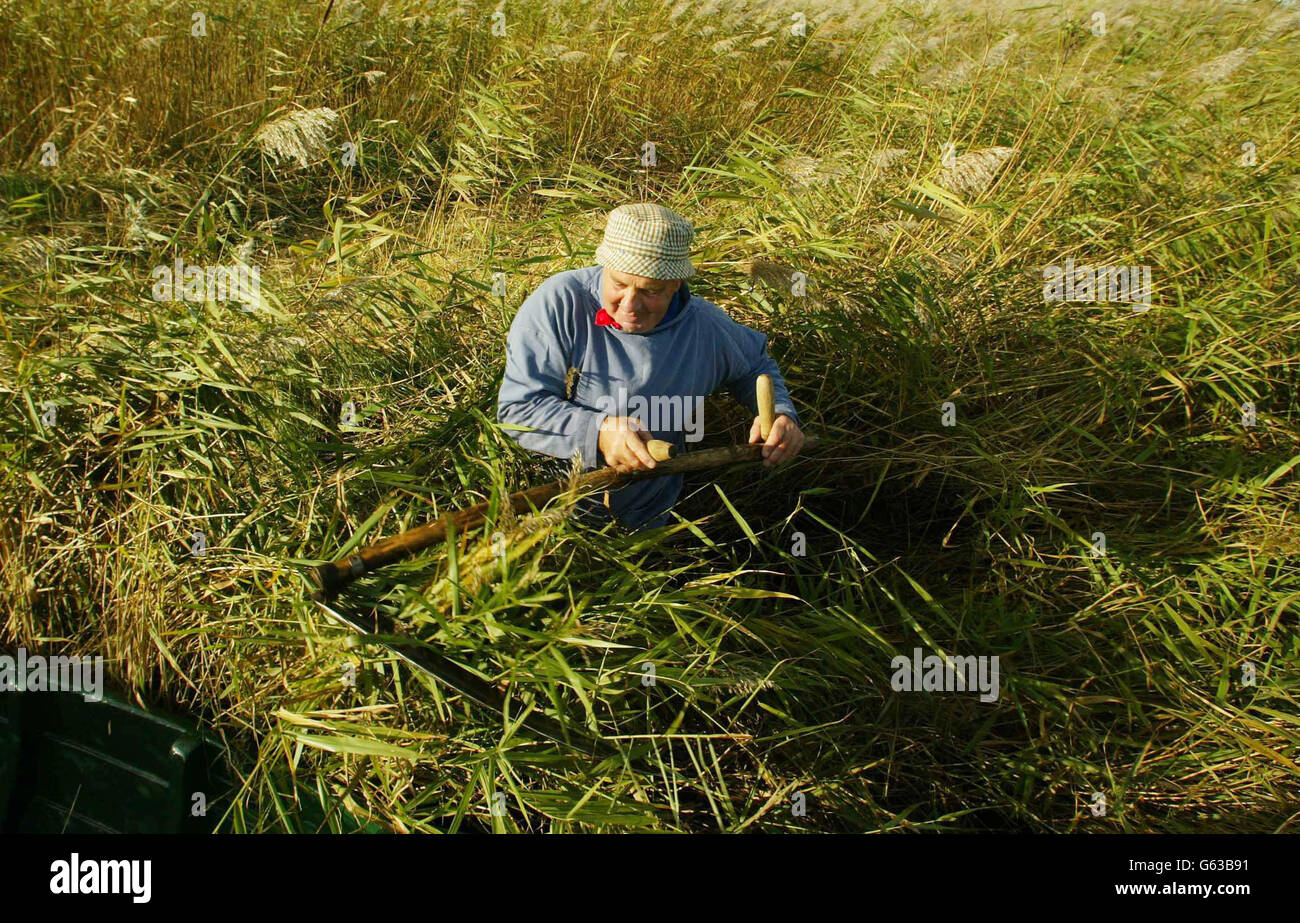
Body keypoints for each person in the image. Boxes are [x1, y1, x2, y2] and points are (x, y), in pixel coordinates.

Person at [496, 202, 804, 531]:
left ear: (676, 284)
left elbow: (755, 365)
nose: (629, 306)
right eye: (618, 284)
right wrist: (598, 433)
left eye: (651, 291)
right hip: (553, 515)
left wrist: (780, 415)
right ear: (604, 266)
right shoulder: (560, 304)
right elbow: (519, 409)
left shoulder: (705, 328)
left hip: (651, 519)